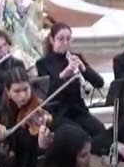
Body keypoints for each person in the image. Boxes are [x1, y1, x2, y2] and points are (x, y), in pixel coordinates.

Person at [34, 22, 108, 151]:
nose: (65, 42)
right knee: (78, 135)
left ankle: (92, 159)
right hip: (57, 112)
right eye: (61, 39)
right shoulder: (43, 63)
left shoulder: (75, 57)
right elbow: (47, 93)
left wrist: (84, 69)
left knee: (100, 130)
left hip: (77, 110)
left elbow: (99, 82)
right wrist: (63, 74)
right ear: (52, 40)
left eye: (68, 39)